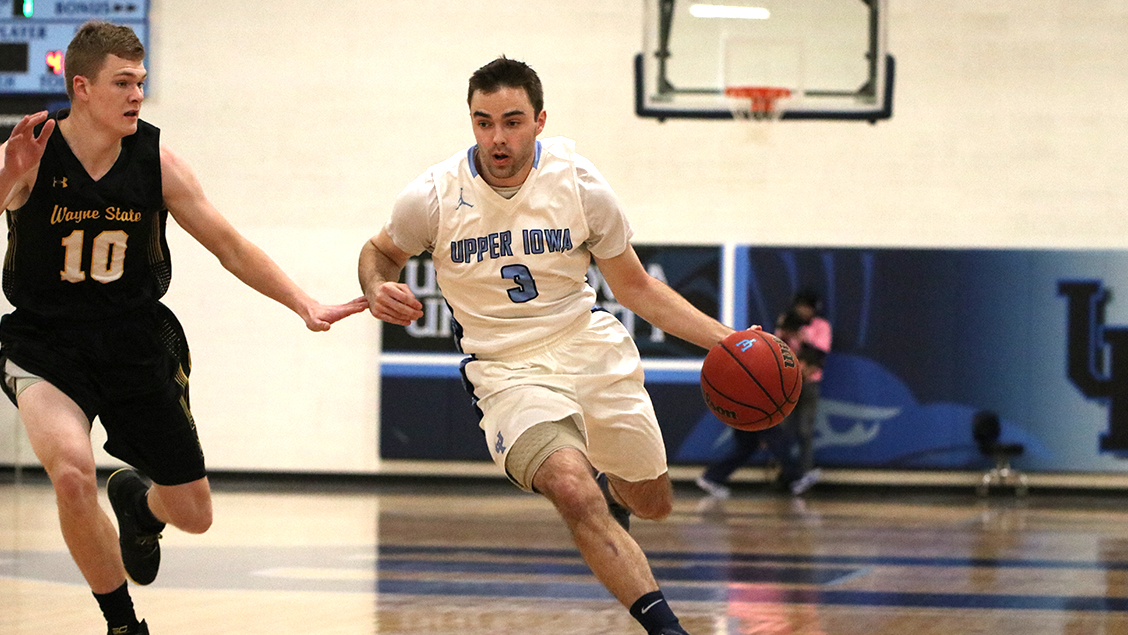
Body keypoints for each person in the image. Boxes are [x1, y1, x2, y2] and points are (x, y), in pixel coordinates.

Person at [0, 21, 366, 635]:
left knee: (194, 515)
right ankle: (122, 624)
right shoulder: (30, 152)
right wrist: (6, 174)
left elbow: (228, 244)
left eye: (141, 82)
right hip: (44, 342)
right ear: (82, 88)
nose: (136, 95)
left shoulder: (155, 159)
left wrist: (301, 301)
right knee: (70, 470)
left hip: (133, 339)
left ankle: (140, 506)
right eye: (123, 83)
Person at [359, 56, 736, 635]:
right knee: (569, 485)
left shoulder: (580, 185)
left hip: (588, 352)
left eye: (511, 121)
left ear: (539, 120)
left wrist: (727, 341)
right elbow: (378, 251)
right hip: (507, 371)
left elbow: (635, 288)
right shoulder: (434, 194)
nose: (497, 137)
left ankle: (612, 500)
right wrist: (378, 285)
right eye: (483, 122)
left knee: (653, 502)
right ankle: (667, 628)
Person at [696, 289, 832, 498]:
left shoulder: (819, 327)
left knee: (755, 444)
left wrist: (802, 343)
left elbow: (817, 355)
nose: (803, 311)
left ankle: (713, 477)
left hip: (790, 387)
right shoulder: (774, 345)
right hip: (767, 394)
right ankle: (794, 478)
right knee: (774, 437)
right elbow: (778, 353)